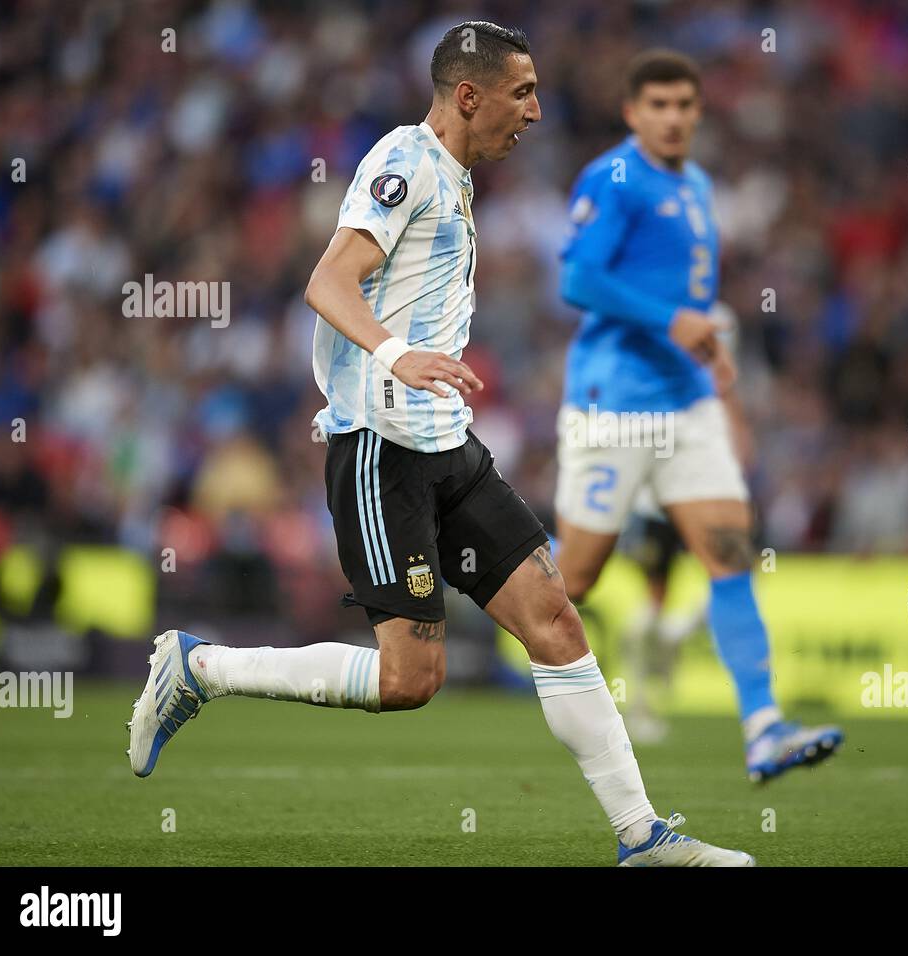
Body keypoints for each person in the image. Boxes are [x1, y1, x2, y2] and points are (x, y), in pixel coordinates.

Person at [127, 21, 753, 867]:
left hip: (447, 447)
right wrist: (395, 354)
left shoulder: (453, 177)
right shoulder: (407, 162)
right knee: (409, 680)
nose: (533, 111)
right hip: (380, 452)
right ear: (469, 95)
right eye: (521, 92)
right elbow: (327, 281)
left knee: (557, 621)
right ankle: (200, 668)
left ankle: (642, 837)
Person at [554, 50, 842, 782]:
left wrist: (710, 356)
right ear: (632, 112)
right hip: (613, 404)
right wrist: (671, 320)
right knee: (573, 581)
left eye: (685, 105)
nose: (674, 117)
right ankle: (449, 624)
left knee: (728, 554)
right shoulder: (614, 177)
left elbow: (689, 296)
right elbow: (578, 277)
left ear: (699, 111)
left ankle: (763, 728)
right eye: (658, 105)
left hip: (688, 406)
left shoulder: (701, 184)